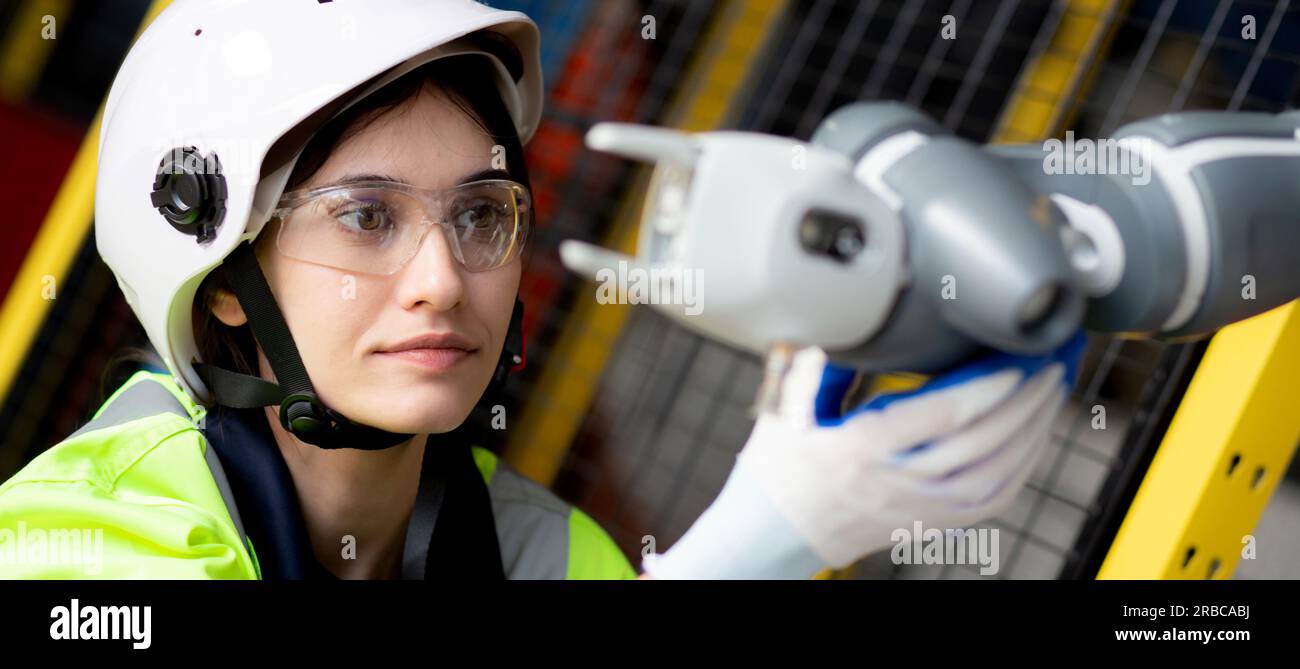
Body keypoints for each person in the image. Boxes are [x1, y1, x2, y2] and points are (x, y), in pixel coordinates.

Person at [0, 0, 1083, 580]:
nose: (440, 282)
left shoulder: (550, 555)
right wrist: (753, 548)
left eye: (479, 215)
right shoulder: (81, 541)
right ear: (224, 275)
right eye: (366, 219)